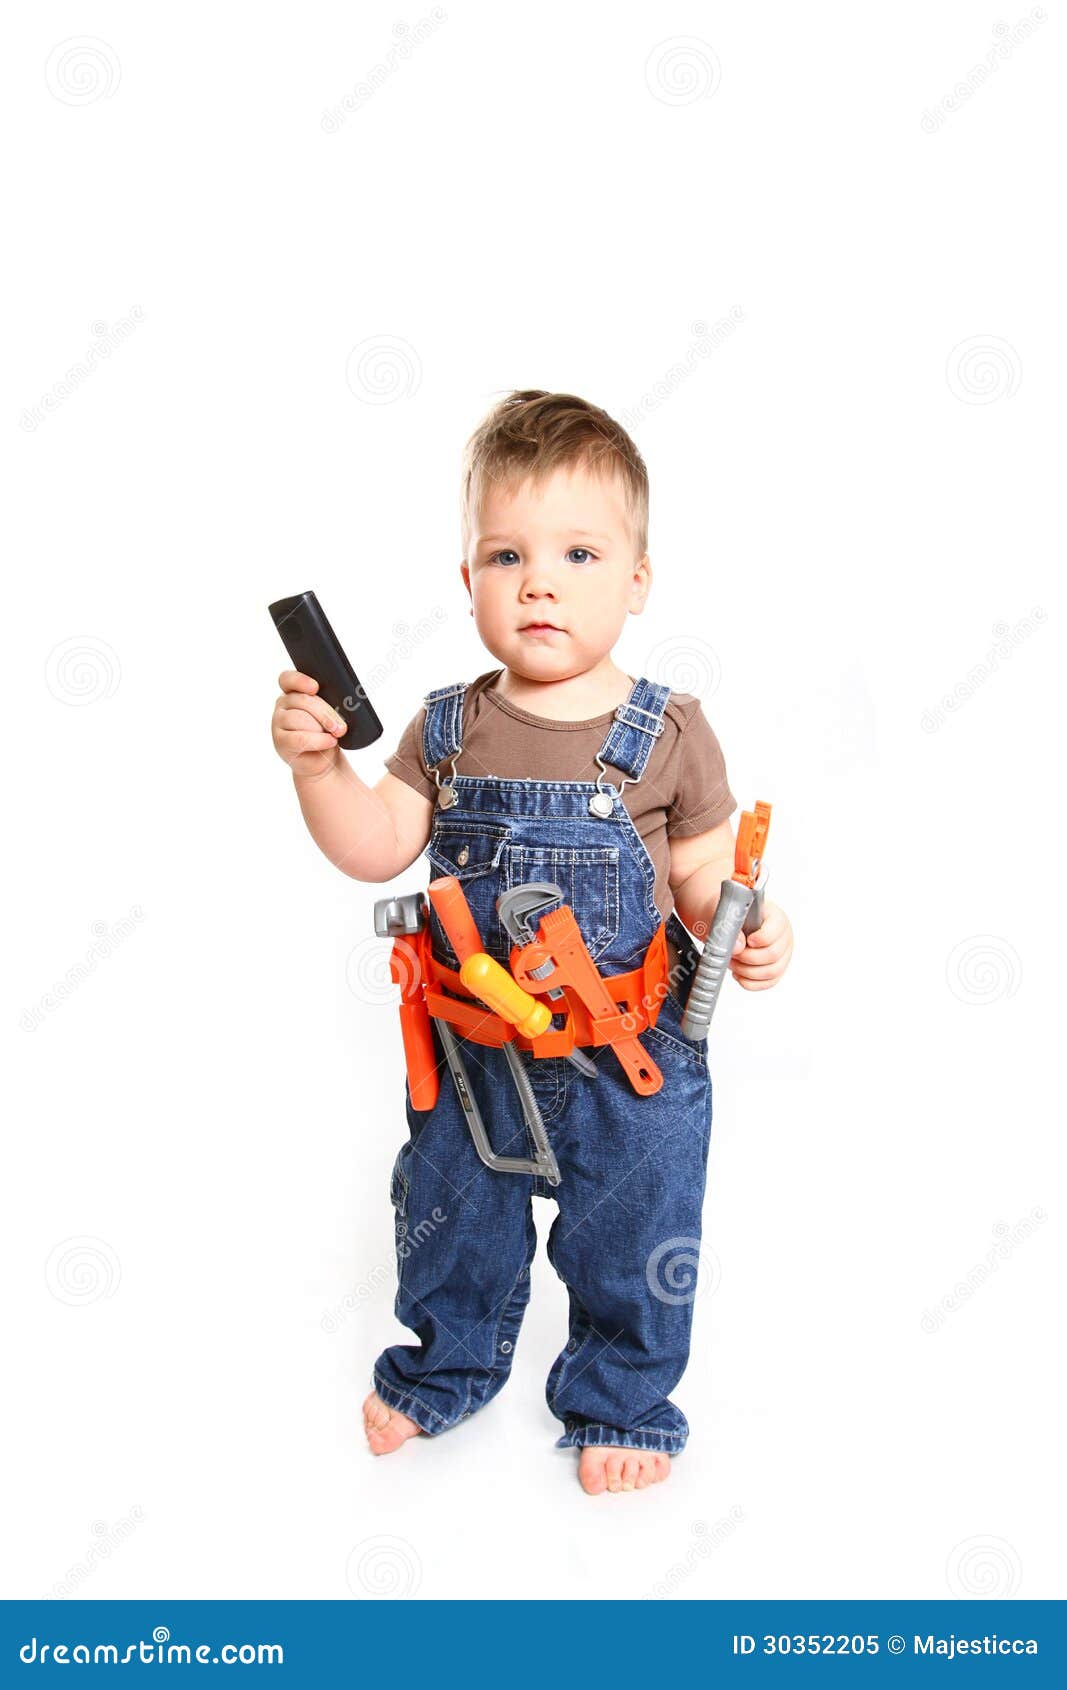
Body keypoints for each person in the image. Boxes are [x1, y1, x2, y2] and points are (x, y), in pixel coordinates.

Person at [271, 390, 794, 1494]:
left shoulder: (669, 731)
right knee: (450, 1220)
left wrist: (748, 925)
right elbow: (377, 847)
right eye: (505, 554)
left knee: (634, 1239)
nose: (538, 581)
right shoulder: (442, 727)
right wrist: (321, 771)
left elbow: (703, 876)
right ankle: (443, 1366)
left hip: (630, 1059)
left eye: (577, 552)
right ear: (467, 582)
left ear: (638, 580)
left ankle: (619, 1401)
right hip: (471, 1058)